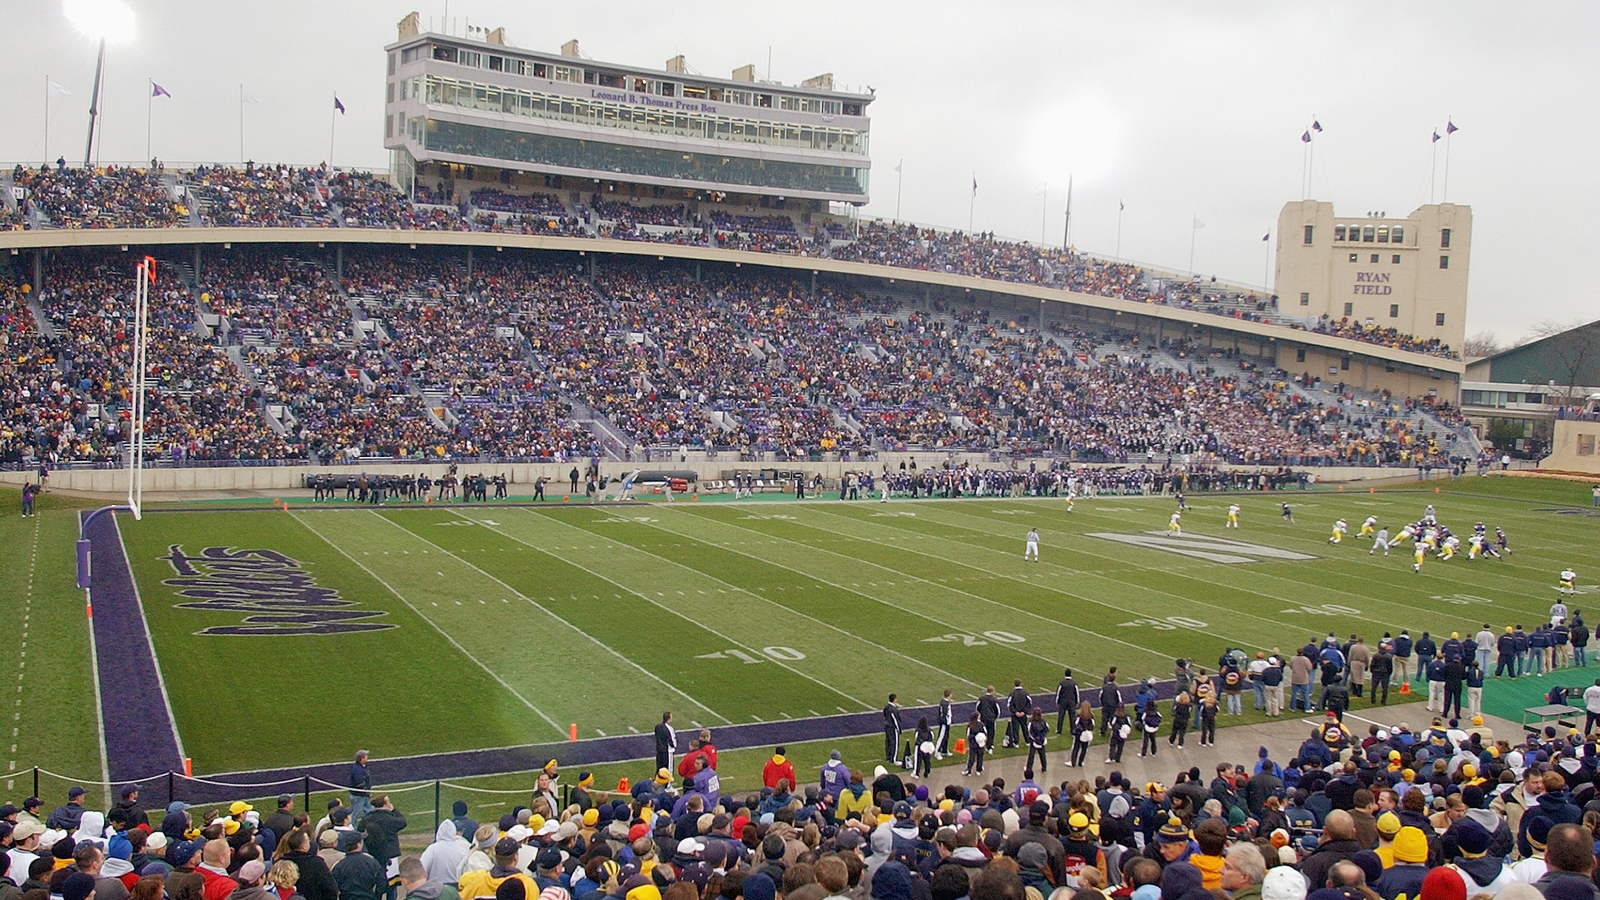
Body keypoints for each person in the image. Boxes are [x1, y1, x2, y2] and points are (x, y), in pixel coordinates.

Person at [348, 752, 372, 827]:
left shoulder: (360, 767)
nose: (367, 757)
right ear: (362, 758)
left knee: (369, 810)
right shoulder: (358, 769)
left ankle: (372, 824)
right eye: (366, 756)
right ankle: (352, 828)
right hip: (359, 795)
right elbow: (359, 783)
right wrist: (366, 791)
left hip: (362, 794)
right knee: (356, 813)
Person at [1054, 670, 1078, 736]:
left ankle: (1059, 730)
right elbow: (1077, 693)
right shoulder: (1074, 683)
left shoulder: (1062, 683)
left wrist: (1057, 702)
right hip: (1071, 702)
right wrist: (1077, 702)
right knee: (1072, 717)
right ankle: (1073, 730)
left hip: (1063, 702)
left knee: (1061, 716)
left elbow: (1058, 693)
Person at [882, 694, 901, 762]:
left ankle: (888, 757)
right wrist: (899, 729)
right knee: (894, 743)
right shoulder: (893, 709)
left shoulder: (886, 707)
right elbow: (895, 720)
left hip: (887, 726)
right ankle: (894, 759)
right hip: (892, 728)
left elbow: (884, 715)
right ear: (894, 700)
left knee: (888, 742)